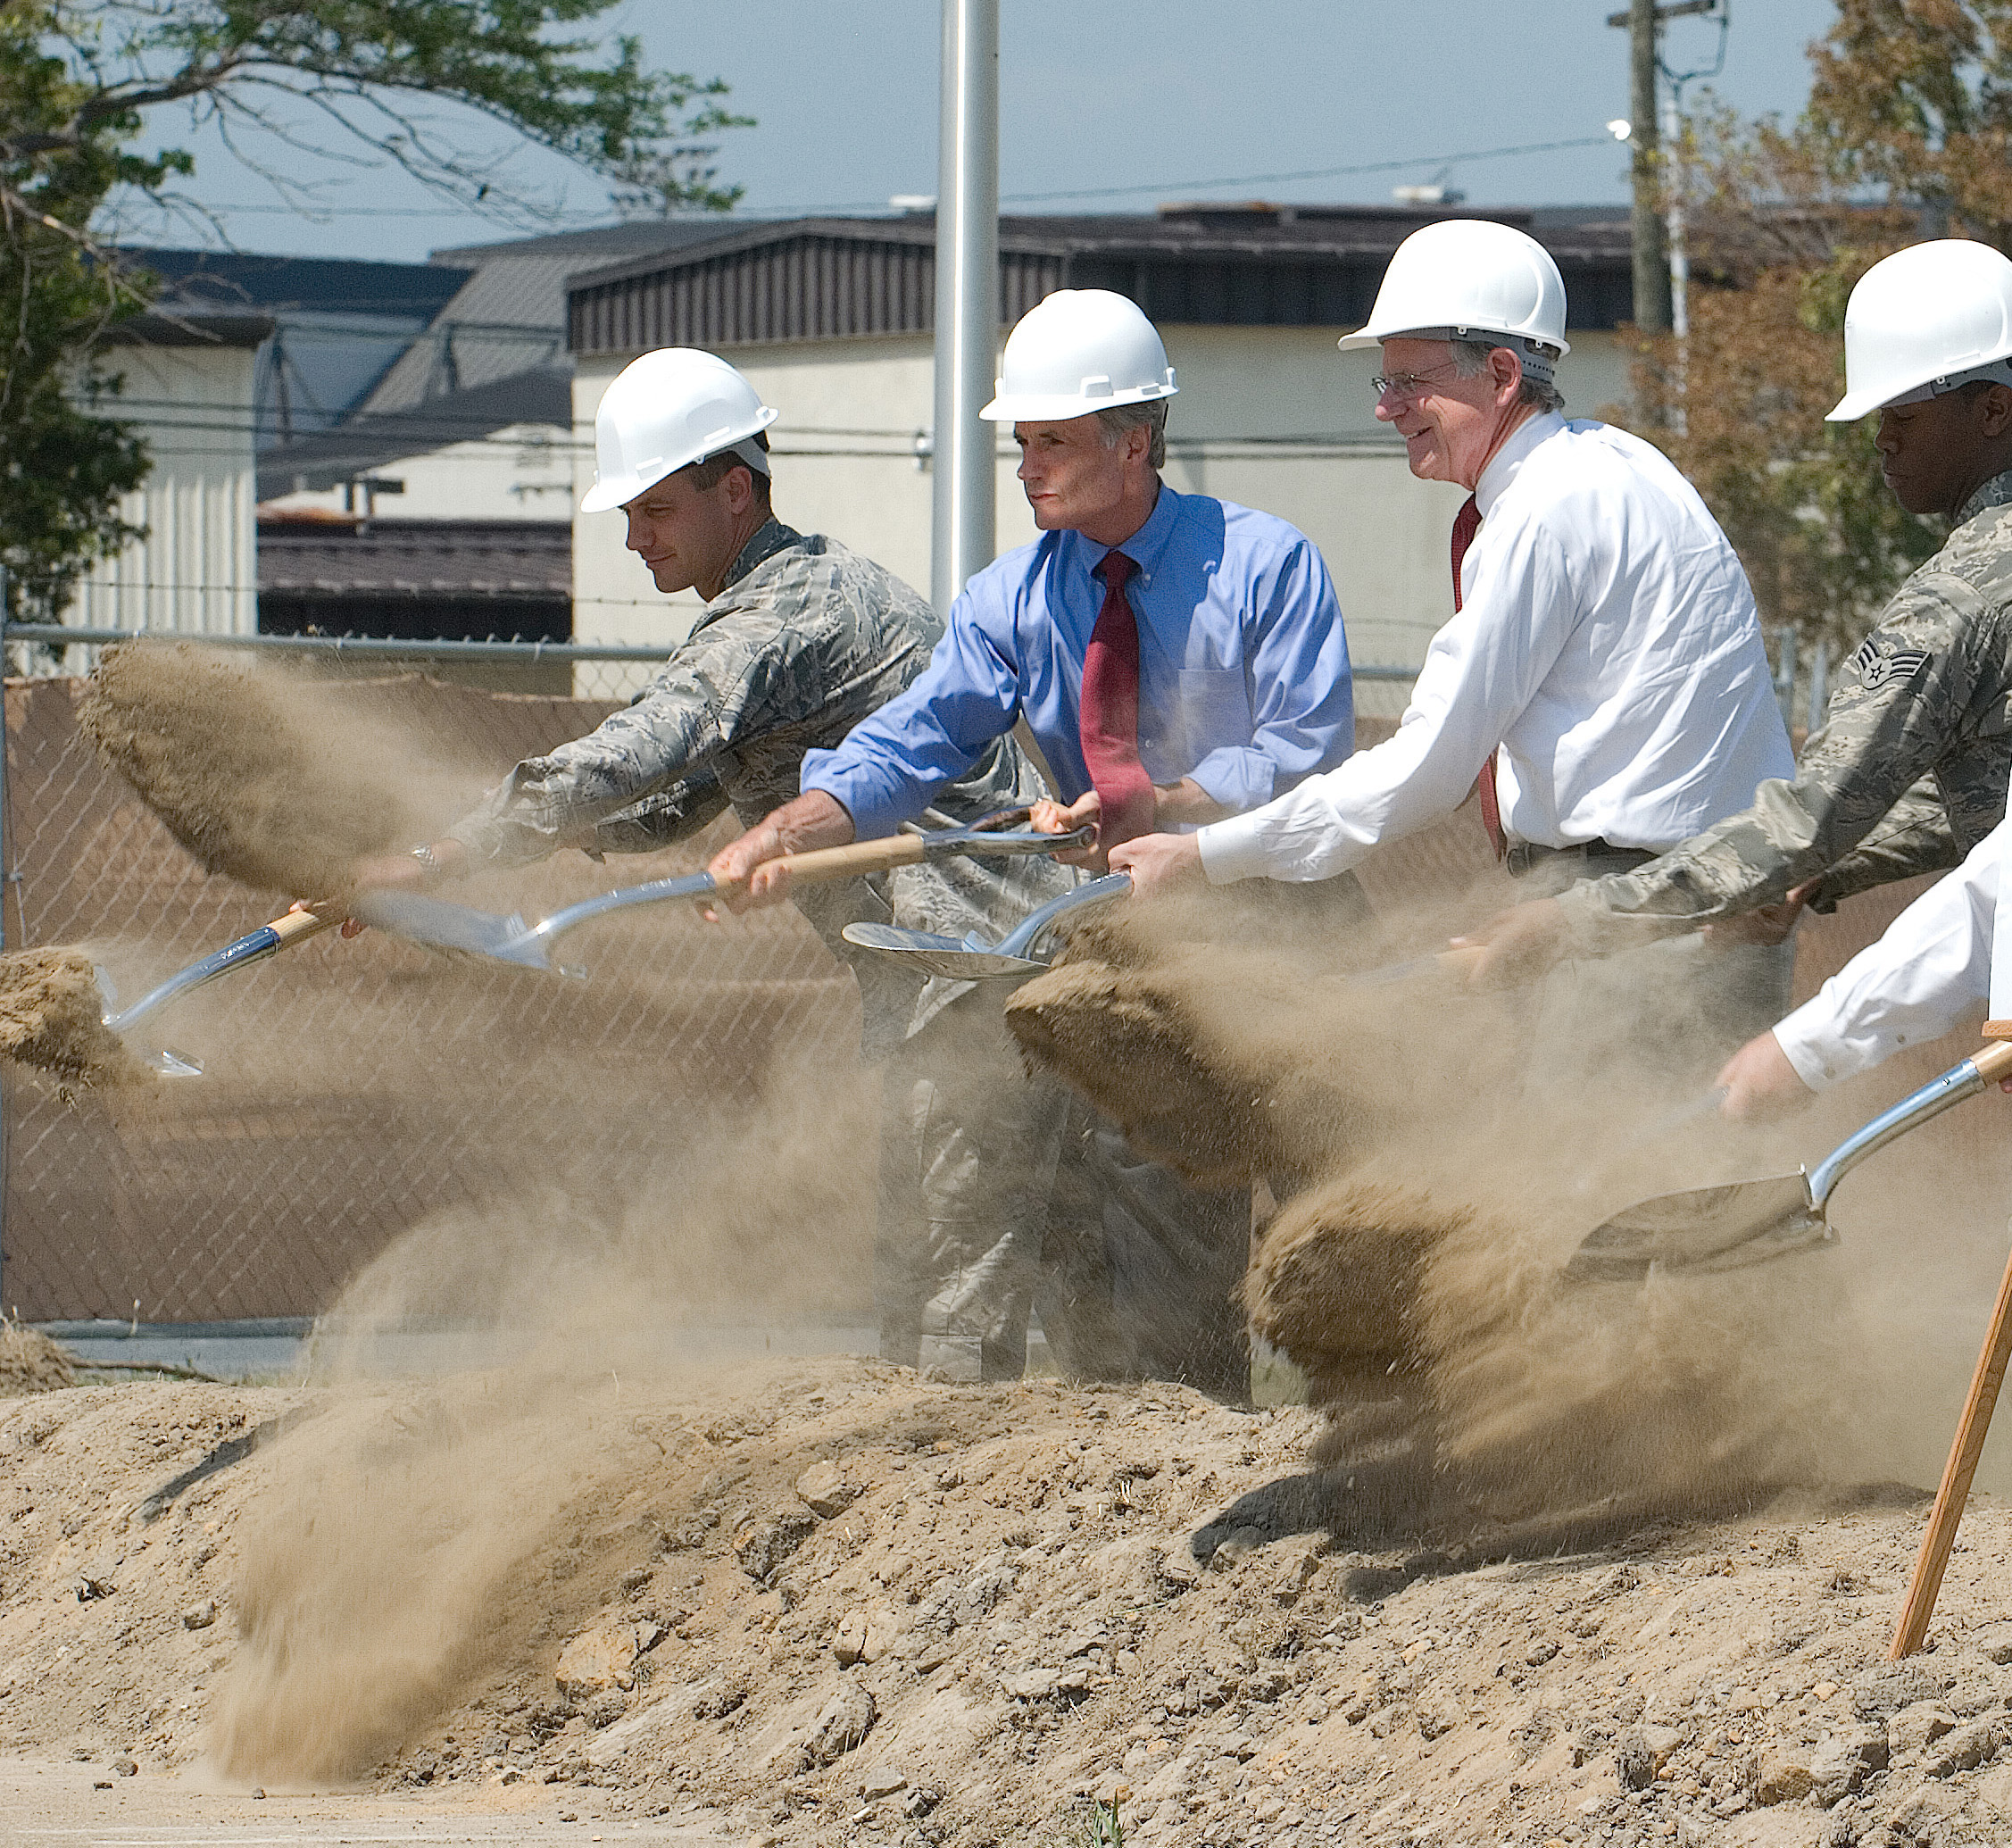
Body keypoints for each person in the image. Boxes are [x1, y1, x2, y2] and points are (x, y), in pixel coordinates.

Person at [347, 345, 1074, 1378]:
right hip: (947, 981)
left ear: (734, 489)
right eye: (629, 517)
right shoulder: (781, 612)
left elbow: (639, 748)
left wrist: (438, 855)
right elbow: (659, 806)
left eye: (655, 511)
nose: (637, 540)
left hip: (986, 971)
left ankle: (997, 1497)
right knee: (930, 1269)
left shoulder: (784, 614)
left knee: (960, 1281)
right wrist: (457, 859)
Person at [707, 287, 1358, 1389]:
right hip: (1144, 947)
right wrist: (792, 826)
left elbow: (1306, 751)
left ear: (1135, 441)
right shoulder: (1011, 598)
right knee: (1150, 1200)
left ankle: (1390, 1452)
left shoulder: (1265, 564)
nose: (1026, 467)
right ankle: (1158, 1453)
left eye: (1053, 443)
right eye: (1023, 443)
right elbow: (913, 742)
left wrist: (1157, 797)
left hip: (1288, 930)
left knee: (1337, 1206)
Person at [1107, 217, 1796, 1076]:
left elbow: (1423, 768)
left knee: (1602, 1197)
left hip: (1637, 924)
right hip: (1680, 908)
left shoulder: (1545, 513)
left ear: (1502, 373)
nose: (1384, 406)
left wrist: (1203, 856)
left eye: (1410, 381)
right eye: (1384, 379)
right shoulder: (1617, 467)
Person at [1466, 240, 2012, 1045]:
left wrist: (1576, 920)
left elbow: (1809, 817)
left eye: (1903, 415)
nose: (1882, 442)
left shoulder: (1962, 595)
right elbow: (1987, 803)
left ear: (1994, 410)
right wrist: (1827, 866)